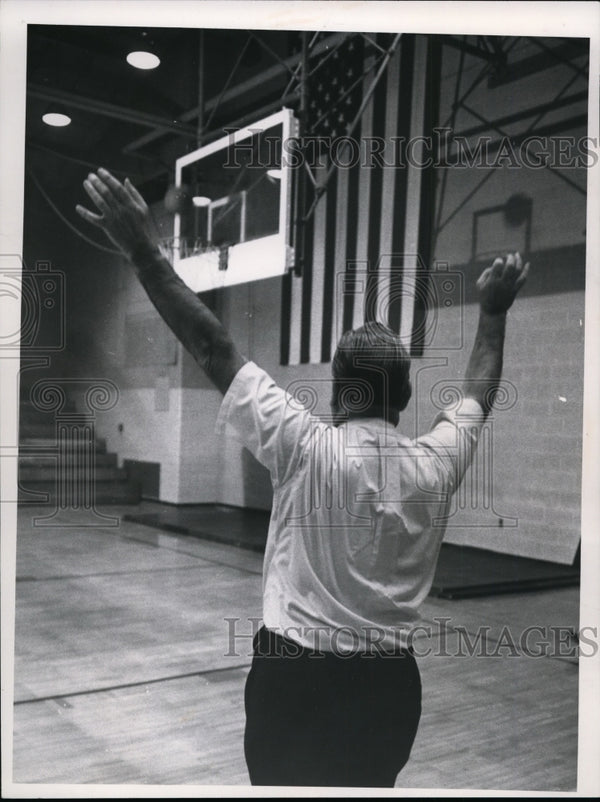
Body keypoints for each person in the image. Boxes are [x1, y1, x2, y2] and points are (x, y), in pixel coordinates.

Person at [77, 169, 529, 788]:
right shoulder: (438, 462)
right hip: (390, 690)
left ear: (338, 392)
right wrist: (494, 312)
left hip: (294, 682)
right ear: (402, 394)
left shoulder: (304, 445)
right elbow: (479, 387)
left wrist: (143, 251)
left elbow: (210, 344)